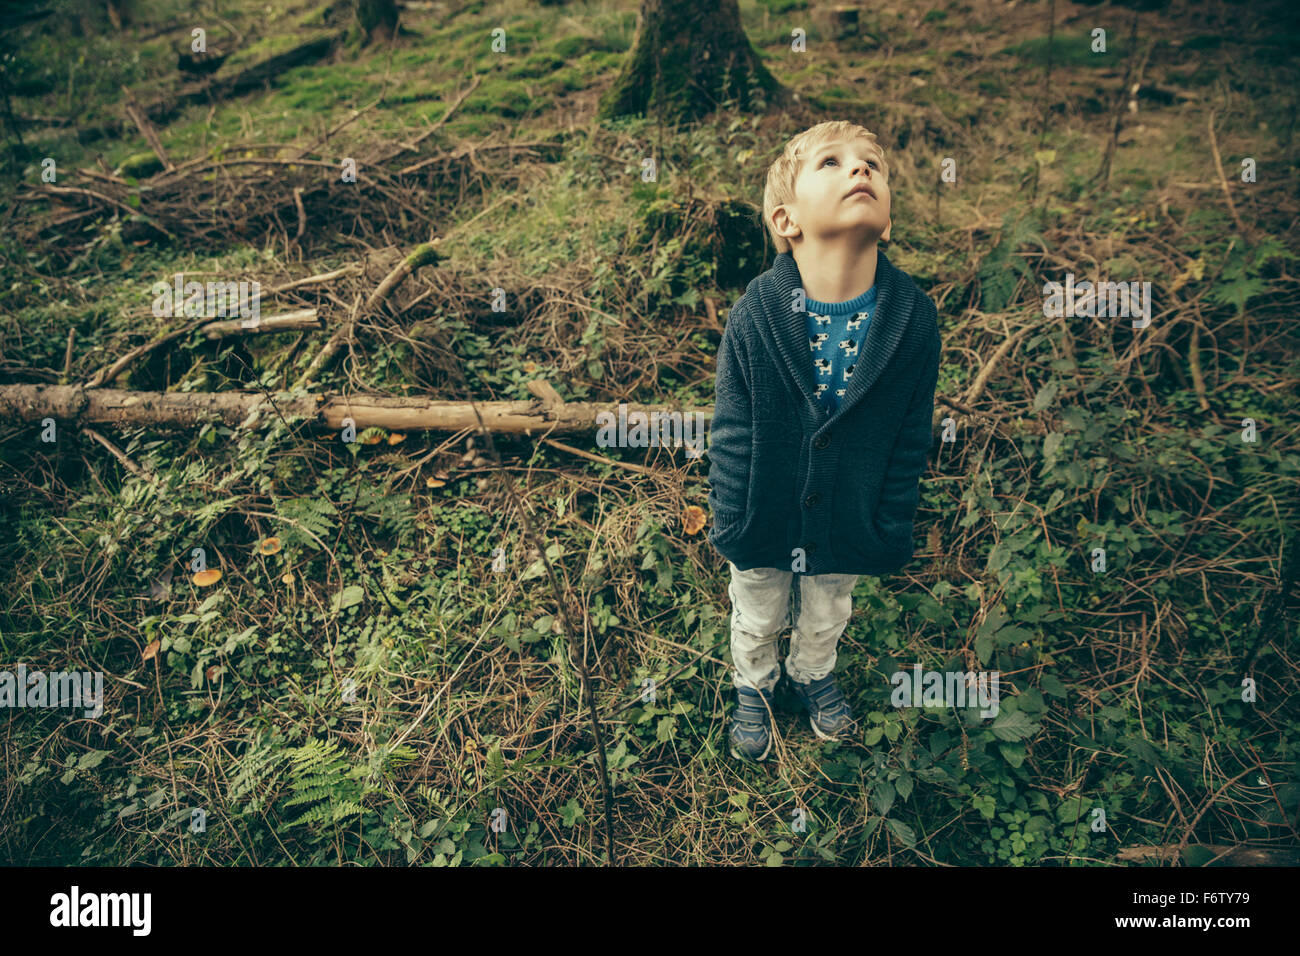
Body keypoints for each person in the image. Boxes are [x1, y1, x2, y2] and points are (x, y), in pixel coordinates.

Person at [707, 121, 942, 761]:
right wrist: (732, 510)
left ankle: (813, 670)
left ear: (888, 222)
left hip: (849, 512)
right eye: (833, 163)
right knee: (757, 604)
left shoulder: (913, 320)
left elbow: (909, 438)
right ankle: (754, 682)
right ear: (787, 220)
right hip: (764, 506)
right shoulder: (757, 313)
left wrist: (890, 518)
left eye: (872, 164)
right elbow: (733, 425)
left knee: (828, 605)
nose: (860, 171)